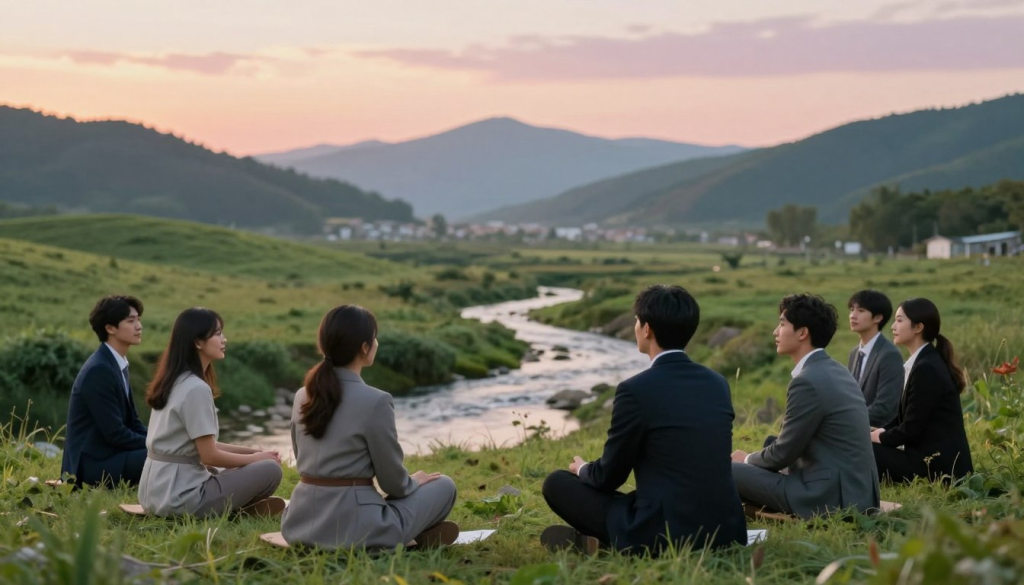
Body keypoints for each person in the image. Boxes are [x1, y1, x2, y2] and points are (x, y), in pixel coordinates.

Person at [540, 285, 747, 556]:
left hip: (666, 534)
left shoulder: (635, 390)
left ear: (646, 329)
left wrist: (582, 470)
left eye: (637, 321)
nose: (636, 327)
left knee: (556, 482)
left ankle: (602, 541)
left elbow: (608, 477)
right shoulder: (717, 383)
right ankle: (597, 540)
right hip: (726, 529)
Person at [281, 305, 459, 549]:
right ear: (365, 347)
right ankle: (403, 535)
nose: (376, 343)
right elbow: (393, 483)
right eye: (374, 338)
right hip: (357, 529)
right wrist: (414, 481)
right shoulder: (376, 400)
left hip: (298, 524)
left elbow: (303, 457)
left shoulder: (303, 394)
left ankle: (405, 529)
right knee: (445, 485)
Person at [731, 294, 880, 519]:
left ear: (802, 333)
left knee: (726, 469)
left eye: (782, 324)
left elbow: (782, 453)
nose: (775, 331)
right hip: (860, 493)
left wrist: (747, 459)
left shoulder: (807, 381)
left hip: (828, 498)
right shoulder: (837, 369)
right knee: (768, 444)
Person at [138, 308, 284, 517]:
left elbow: (201, 446)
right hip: (181, 499)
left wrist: (251, 452)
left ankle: (234, 506)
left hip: (153, 494)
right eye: (217, 333)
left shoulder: (173, 381)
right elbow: (209, 455)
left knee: (241, 467)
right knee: (270, 470)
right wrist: (258, 459)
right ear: (198, 342)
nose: (224, 339)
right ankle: (236, 510)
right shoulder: (196, 388)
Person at [871, 298, 974, 482]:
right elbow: (904, 418)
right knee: (866, 444)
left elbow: (911, 429)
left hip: (937, 468)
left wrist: (880, 437)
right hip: (926, 458)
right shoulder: (923, 361)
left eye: (900, 320)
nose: (893, 326)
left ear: (918, 327)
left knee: (865, 450)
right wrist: (878, 432)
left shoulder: (926, 368)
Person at [61, 295, 149, 488]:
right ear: (110, 328)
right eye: (131, 321)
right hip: (91, 467)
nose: (138, 326)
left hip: (110, 455)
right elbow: (116, 434)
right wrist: (158, 446)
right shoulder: (99, 370)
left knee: (169, 454)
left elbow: (133, 422)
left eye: (139, 320)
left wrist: (161, 438)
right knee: (164, 458)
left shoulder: (116, 363)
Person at [847, 290, 904, 427]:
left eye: (861, 311)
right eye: (851, 309)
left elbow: (885, 407)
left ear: (878, 318)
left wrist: (846, 420)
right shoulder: (855, 353)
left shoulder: (889, 354)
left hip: (878, 435)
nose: (853, 316)